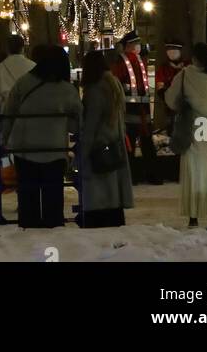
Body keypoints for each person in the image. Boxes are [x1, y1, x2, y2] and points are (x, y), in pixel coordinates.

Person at [2, 44, 81, 229]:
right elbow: (77, 122)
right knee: (52, 198)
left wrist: (6, 139)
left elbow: (9, 112)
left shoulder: (24, 82)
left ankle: (29, 232)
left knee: (28, 198)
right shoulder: (67, 90)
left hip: (25, 147)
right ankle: (53, 234)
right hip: (54, 150)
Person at [165, 42, 207, 231]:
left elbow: (171, 99)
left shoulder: (186, 75)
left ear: (195, 58)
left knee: (195, 169)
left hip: (197, 128)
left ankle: (194, 216)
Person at [78, 51, 133, 228]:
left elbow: (90, 125)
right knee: (113, 194)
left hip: (98, 148)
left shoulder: (94, 90)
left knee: (98, 193)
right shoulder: (113, 84)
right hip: (114, 144)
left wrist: (82, 153)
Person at [112, 30, 161, 184]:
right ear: (128, 45)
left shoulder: (140, 60)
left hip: (142, 109)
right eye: (135, 43)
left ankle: (144, 175)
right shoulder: (122, 61)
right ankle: (137, 176)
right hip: (131, 109)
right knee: (133, 144)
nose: (137, 46)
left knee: (144, 144)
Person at [0, 34, 34, 114]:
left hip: (8, 111)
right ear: (23, 48)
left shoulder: (0, 68)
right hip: (29, 111)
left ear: (7, 49)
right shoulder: (32, 66)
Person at [154, 40, 184, 131]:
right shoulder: (163, 69)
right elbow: (160, 87)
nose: (172, 52)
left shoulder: (187, 66)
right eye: (169, 49)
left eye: (175, 49)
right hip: (169, 107)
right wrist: (168, 99)